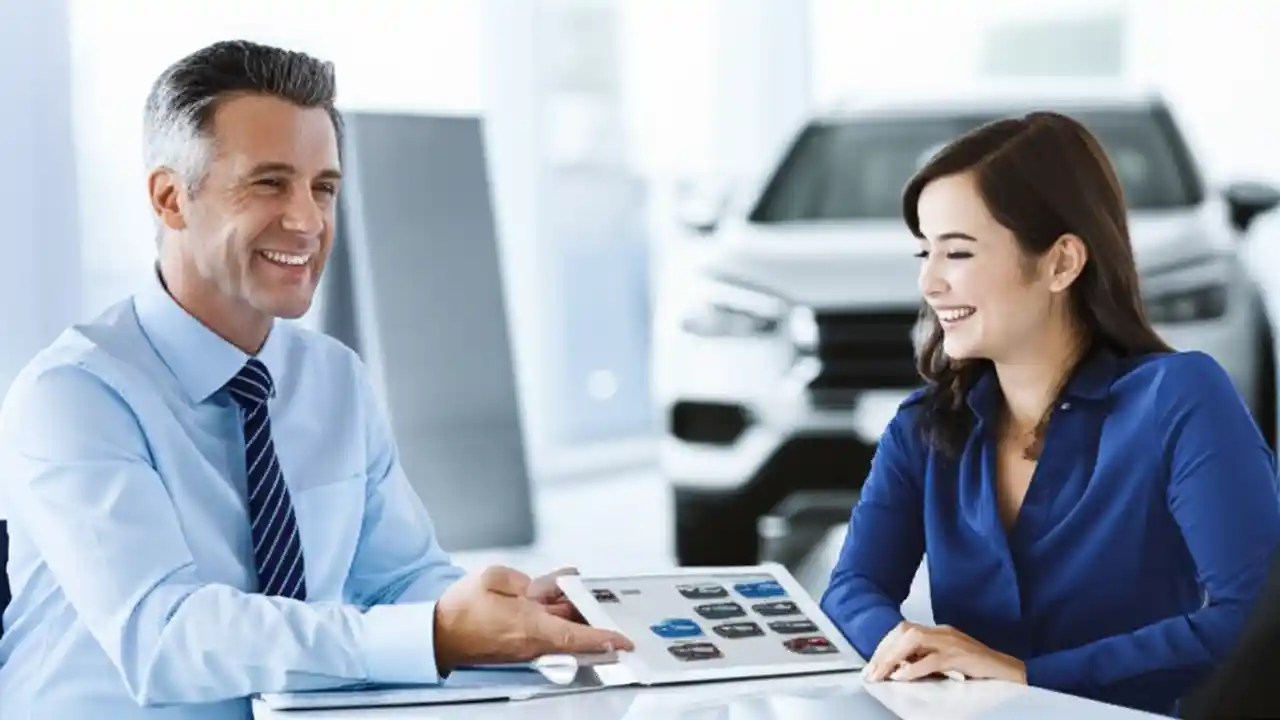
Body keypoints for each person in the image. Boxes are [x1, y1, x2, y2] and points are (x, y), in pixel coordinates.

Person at [0, 40, 632, 720]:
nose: (308, 221)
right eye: (269, 182)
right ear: (169, 198)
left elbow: (399, 579)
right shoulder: (74, 394)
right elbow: (163, 636)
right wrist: (436, 634)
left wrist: (502, 613)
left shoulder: (332, 378)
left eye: (323, 187)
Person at [818, 111, 1280, 716]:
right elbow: (852, 587)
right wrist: (902, 645)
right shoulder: (922, 426)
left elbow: (1253, 619)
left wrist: (1025, 676)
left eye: (957, 252)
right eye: (923, 253)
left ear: (1062, 263)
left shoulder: (1179, 396)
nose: (930, 282)